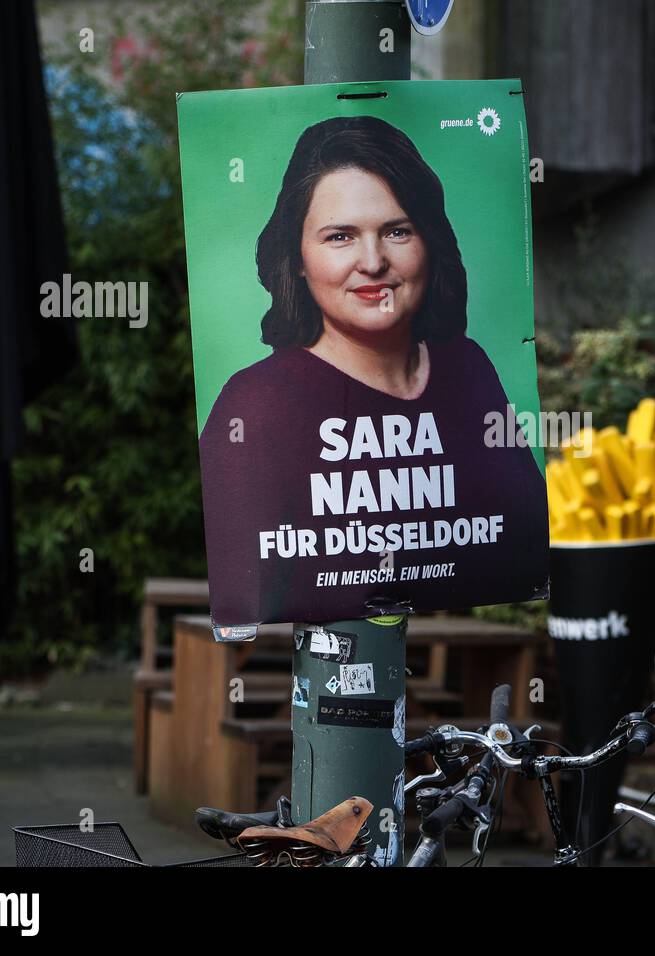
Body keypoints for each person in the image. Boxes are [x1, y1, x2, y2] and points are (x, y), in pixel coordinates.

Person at [198, 116, 547, 625]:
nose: (373, 261)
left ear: (430, 241)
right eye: (340, 236)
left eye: (397, 231)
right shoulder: (256, 405)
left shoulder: (468, 366)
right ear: (296, 257)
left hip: (449, 660)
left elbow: (523, 545)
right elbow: (244, 591)